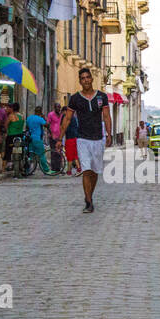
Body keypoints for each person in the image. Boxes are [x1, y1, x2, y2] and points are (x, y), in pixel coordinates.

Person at [58, 67, 112, 212]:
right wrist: (59, 138)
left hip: (98, 139)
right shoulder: (75, 98)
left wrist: (109, 134)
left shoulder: (101, 97)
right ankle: (88, 201)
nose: (86, 80)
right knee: (86, 170)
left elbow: (106, 116)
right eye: (83, 78)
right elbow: (68, 118)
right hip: (82, 139)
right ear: (80, 81)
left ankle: (90, 195)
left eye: (88, 77)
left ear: (92, 79)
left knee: (94, 171)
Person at [25, 106, 54, 175]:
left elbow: (27, 127)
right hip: (37, 139)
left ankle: (28, 170)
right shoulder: (40, 119)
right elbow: (47, 125)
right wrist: (44, 118)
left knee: (30, 155)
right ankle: (46, 170)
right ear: (40, 112)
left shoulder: (29, 118)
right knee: (41, 155)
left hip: (29, 139)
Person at [3, 101, 24, 171]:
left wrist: (7, 131)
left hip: (11, 136)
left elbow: (5, 125)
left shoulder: (11, 116)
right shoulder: (22, 116)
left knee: (8, 151)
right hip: (20, 136)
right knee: (19, 151)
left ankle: (5, 167)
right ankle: (20, 166)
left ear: (12, 108)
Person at [63, 99, 82, 176]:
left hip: (70, 138)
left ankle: (69, 171)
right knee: (74, 155)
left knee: (70, 156)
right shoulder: (73, 117)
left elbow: (64, 128)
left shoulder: (68, 117)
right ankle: (78, 169)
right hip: (75, 138)